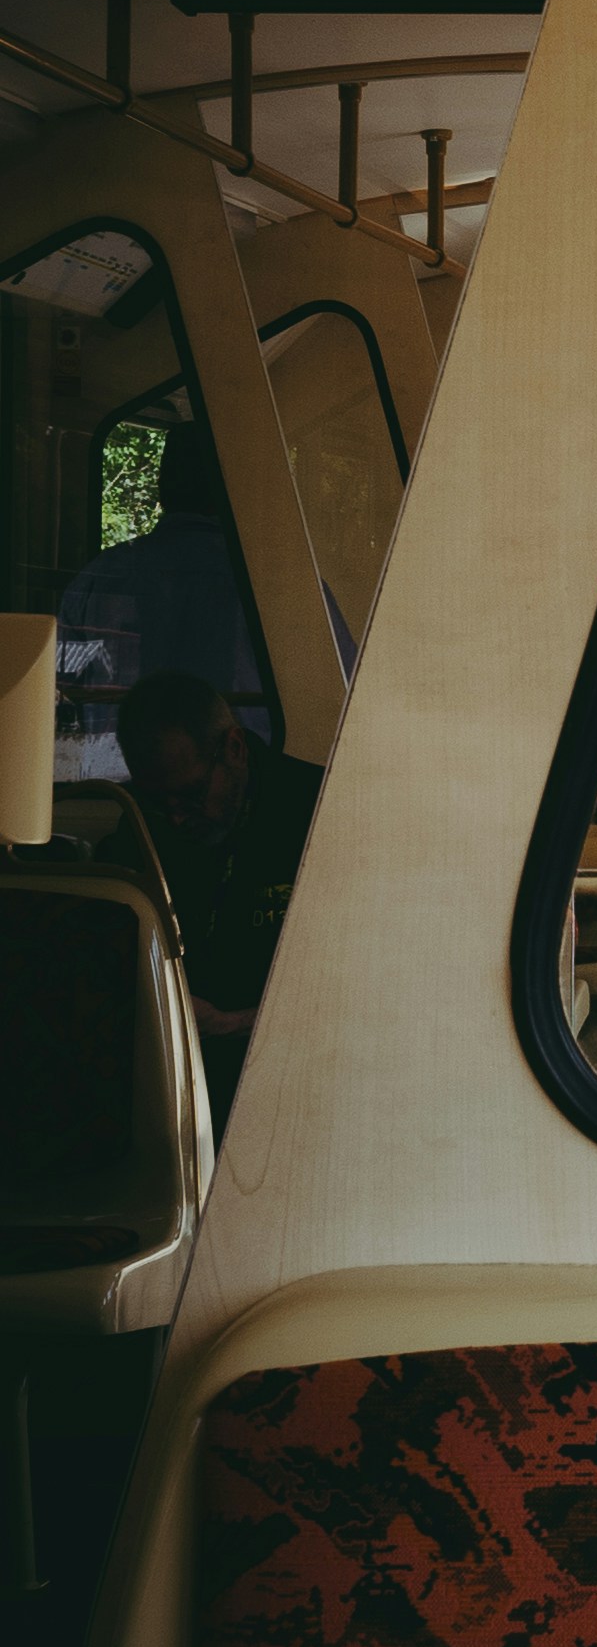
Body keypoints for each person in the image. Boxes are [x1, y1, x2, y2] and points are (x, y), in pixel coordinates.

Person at [116, 671, 323, 1135]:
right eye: (156, 800)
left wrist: (233, 1024)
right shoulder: (141, 828)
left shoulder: (320, 813)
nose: (174, 817)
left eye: (190, 794)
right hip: (170, 1084)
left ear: (235, 749)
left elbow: (363, 992)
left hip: (299, 1079)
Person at [56, 424, 267, 774]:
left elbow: (63, 691)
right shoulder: (273, 586)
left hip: (116, 785)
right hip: (243, 791)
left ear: (162, 487)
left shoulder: (100, 577)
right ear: (238, 485)